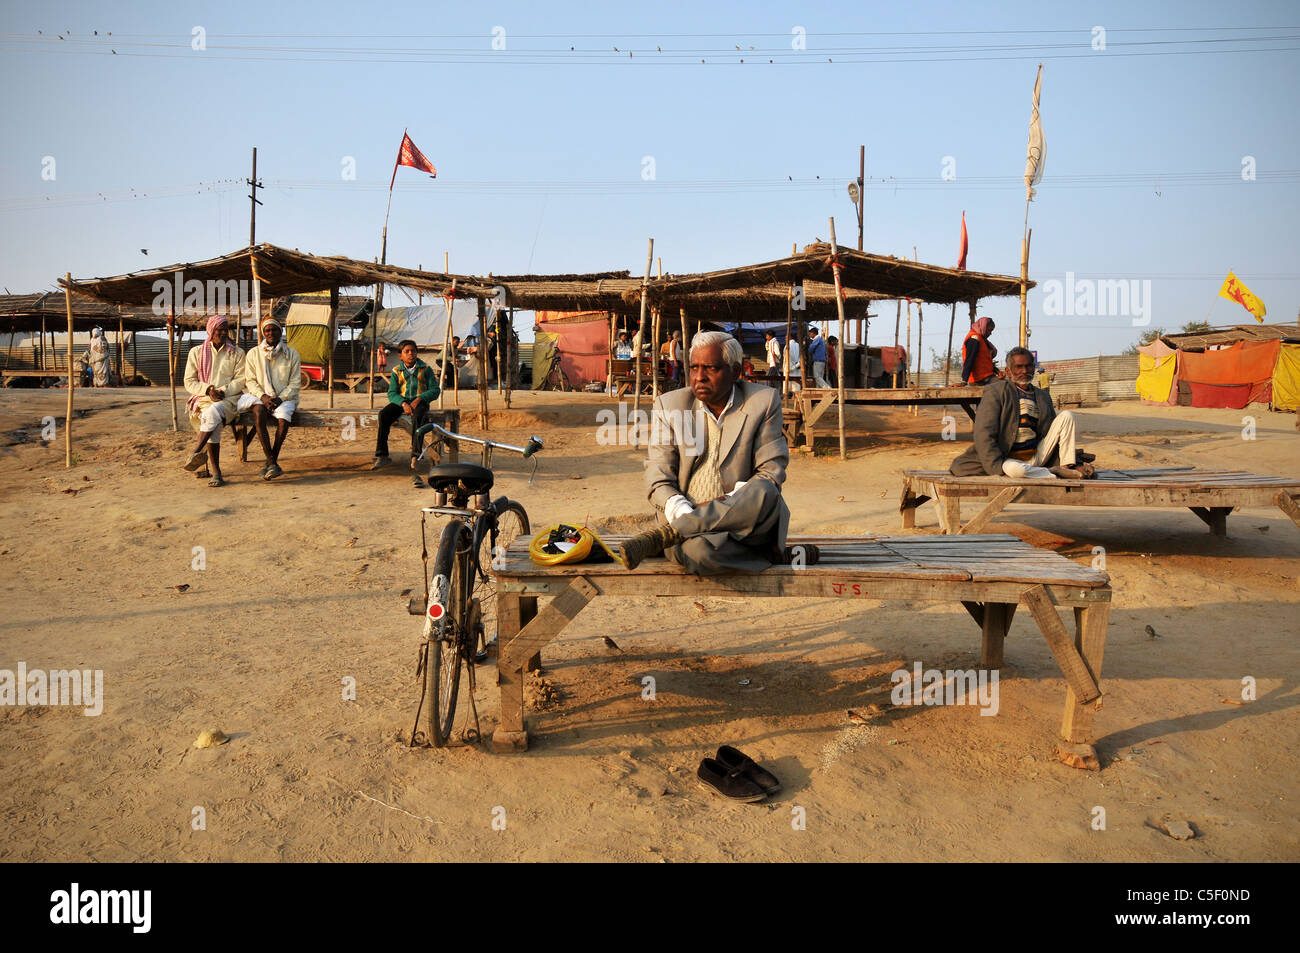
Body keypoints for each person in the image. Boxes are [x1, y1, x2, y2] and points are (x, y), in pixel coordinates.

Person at [620, 331, 816, 574]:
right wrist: (684, 512)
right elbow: (657, 478)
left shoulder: (762, 401)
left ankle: (672, 534)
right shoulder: (670, 405)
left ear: (734, 372)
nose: (699, 377)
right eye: (693, 368)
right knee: (700, 553)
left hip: (745, 524)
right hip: (687, 519)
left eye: (710, 368)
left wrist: (719, 509)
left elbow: (771, 473)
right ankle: (771, 556)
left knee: (765, 489)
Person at [950, 346, 1096, 480]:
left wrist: (1077, 462)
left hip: (1036, 456)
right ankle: (1053, 473)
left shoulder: (1042, 396)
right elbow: (984, 434)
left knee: (1067, 416)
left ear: (1034, 367)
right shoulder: (996, 392)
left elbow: (1054, 436)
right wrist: (996, 468)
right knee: (1016, 471)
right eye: (1019, 367)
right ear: (1008, 371)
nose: (1024, 371)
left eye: (1028, 366)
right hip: (1007, 460)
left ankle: (1067, 467)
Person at [181, 314, 247, 487]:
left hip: (230, 399)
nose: (223, 332)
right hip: (204, 399)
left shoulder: (237, 353)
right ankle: (215, 472)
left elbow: (242, 379)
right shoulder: (196, 352)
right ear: (211, 330)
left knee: (211, 415)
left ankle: (197, 453)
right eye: (219, 329)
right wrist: (208, 390)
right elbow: (189, 381)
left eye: (225, 329)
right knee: (212, 419)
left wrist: (222, 391)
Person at [236, 316, 301, 480]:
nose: (270, 332)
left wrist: (280, 399)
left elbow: (295, 382)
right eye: (267, 330)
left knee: (284, 419)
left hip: (284, 399)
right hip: (260, 397)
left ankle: (272, 461)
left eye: (274, 329)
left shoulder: (291, 354)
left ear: (280, 332)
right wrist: (263, 397)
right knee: (258, 412)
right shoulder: (253, 354)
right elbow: (250, 380)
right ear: (263, 333)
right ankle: (272, 462)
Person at [372, 339, 441, 487]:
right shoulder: (397, 371)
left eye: (413, 351)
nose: (411, 354)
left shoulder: (426, 369)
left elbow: (435, 390)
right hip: (401, 402)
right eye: (407, 352)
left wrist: (420, 398)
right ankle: (382, 455)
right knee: (383, 415)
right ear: (400, 355)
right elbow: (392, 393)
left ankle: (415, 456)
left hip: (420, 403)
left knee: (418, 418)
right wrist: (403, 403)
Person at [962, 317, 999, 385]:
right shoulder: (974, 339)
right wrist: (964, 380)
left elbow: (984, 362)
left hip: (987, 377)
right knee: (1005, 386)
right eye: (989, 330)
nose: (990, 333)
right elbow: (970, 359)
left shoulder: (981, 340)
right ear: (984, 327)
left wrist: (998, 372)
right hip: (980, 379)